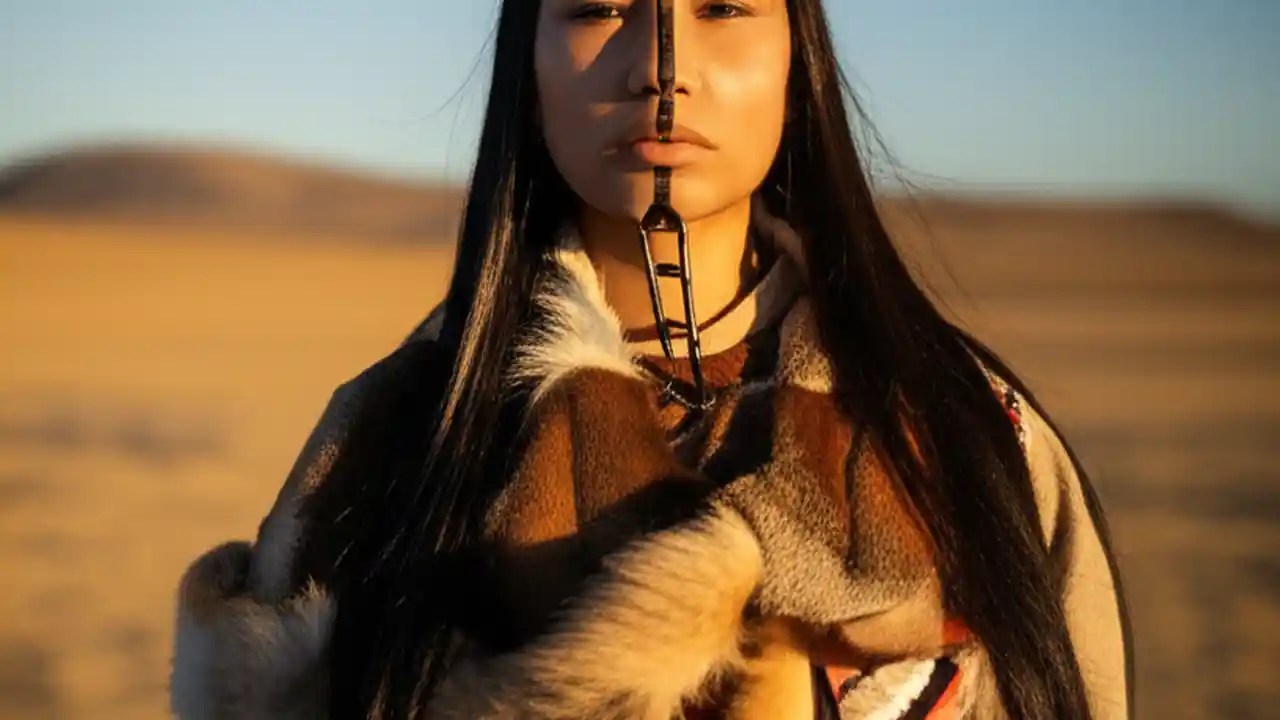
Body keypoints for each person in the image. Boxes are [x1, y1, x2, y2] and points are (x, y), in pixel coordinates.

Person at [168, 1, 1133, 718]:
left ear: (797, 56)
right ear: (528, 66)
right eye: (597, 8)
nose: (661, 69)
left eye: (724, 9)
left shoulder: (963, 431)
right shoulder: (388, 443)